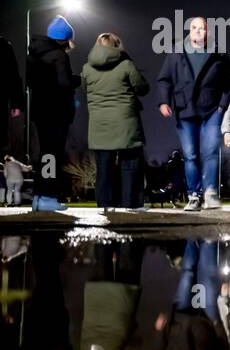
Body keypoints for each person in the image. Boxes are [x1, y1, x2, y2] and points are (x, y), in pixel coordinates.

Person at [155, 16, 230, 210]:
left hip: (211, 110)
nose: (198, 31)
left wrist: (221, 106)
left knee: (209, 152)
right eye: (194, 27)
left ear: (208, 32)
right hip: (185, 109)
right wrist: (164, 101)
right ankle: (194, 195)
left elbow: (229, 82)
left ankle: (210, 193)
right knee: (190, 155)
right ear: (189, 30)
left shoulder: (219, 53)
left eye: (202, 28)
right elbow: (164, 79)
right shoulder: (176, 52)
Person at [82, 32, 150, 210]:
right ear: (117, 46)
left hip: (99, 125)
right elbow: (142, 88)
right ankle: (132, 203)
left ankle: (105, 204)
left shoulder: (87, 69)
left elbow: (85, 88)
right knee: (131, 164)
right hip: (125, 124)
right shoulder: (126, 65)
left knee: (103, 168)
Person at [26, 15, 80, 211]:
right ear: (65, 38)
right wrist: (78, 80)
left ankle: (39, 196)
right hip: (56, 112)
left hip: (40, 110)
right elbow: (64, 83)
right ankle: (48, 196)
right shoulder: (59, 55)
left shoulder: (33, 55)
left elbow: (32, 83)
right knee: (53, 155)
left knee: (44, 154)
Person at [1, 35, 23, 152]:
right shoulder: (4, 45)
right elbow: (13, 76)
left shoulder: (4, 46)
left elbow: (13, 76)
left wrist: (16, 103)